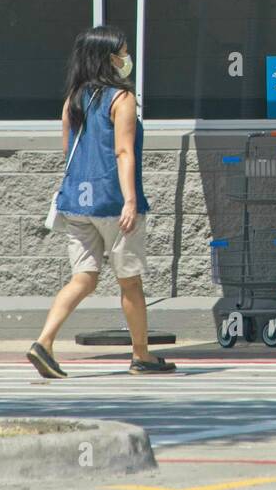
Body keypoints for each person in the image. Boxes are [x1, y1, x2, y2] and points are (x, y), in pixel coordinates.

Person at [27, 26, 176, 378]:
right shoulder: (121, 99)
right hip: (112, 202)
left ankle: (44, 342)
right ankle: (141, 355)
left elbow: (69, 152)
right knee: (130, 281)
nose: (126, 58)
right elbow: (123, 152)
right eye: (122, 52)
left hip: (76, 203)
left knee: (83, 278)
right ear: (108, 58)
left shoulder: (73, 99)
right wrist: (130, 201)